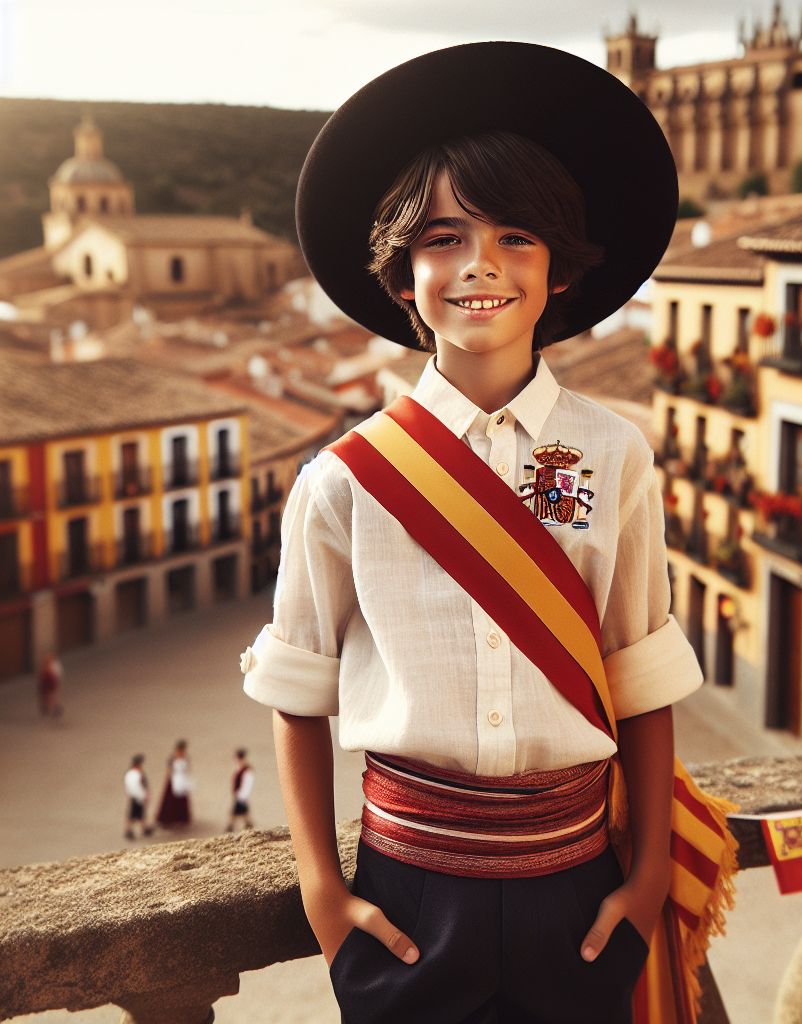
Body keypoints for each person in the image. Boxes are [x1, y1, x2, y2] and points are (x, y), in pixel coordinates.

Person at [242, 42, 733, 1024]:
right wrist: (321, 889)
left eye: (516, 235)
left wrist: (645, 878)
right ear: (401, 273)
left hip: (578, 885)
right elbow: (296, 691)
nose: (480, 264)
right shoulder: (343, 481)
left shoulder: (615, 454)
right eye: (443, 237)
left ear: (559, 271)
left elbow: (640, 672)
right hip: (410, 891)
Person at [156, 739, 193, 828]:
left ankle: (180, 819)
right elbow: (169, 770)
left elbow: (186, 769)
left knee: (181, 800)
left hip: (181, 779)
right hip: (174, 780)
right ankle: (167, 820)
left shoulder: (185, 757)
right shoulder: (173, 758)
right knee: (170, 801)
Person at [123, 754, 153, 840]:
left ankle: (145, 828)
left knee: (138, 814)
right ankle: (130, 830)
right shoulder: (138, 774)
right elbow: (140, 787)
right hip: (138, 797)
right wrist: (145, 795)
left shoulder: (129, 773)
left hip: (134, 796)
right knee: (135, 815)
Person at [226, 748, 254, 832]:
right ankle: (249, 827)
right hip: (239, 796)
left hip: (241, 796)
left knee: (234, 813)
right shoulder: (240, 769)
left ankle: (230, 828)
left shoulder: (247, 771)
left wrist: (242, 796)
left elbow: (248, 785)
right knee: (244, 813)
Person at [37, 652, 63, 719]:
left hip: (51, 682)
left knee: (50, 696)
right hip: (47, 683)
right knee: (48, 696)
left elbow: (57, 675)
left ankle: (54, 707)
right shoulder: (47, 667)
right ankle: (50, 707)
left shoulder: (53, 666)